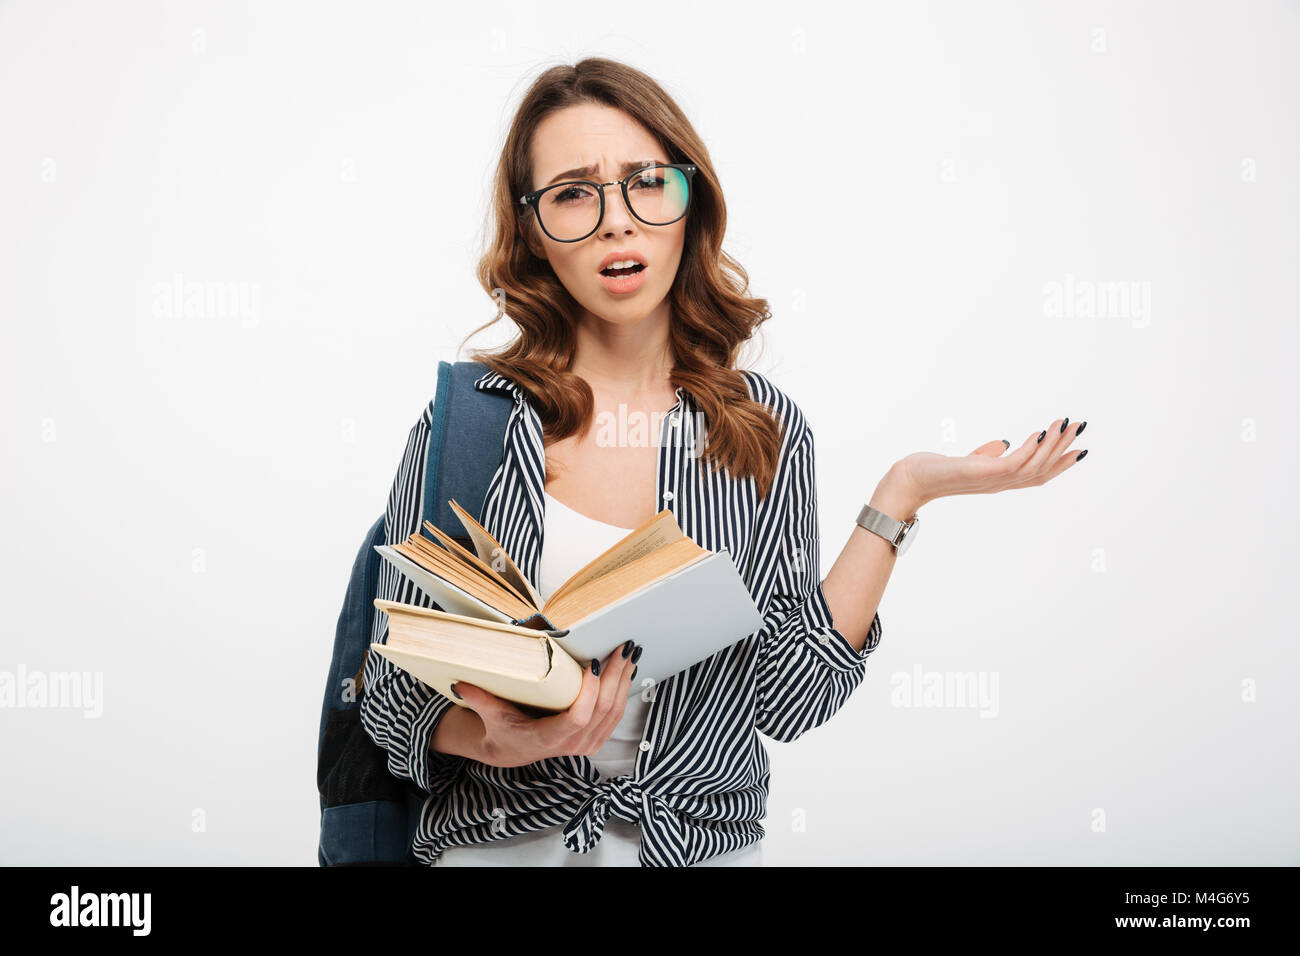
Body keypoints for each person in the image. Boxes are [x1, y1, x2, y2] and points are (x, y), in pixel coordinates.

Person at [359, 57, 1090, 867]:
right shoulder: (469, 422)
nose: (615, 221)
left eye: (646, 182)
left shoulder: (761, 428)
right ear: (533, 229)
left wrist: (902, 495)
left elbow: (789, 698)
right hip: (494, 852)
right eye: (573, 192)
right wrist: (491, 740)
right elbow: (392, 694)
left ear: (689, 199)